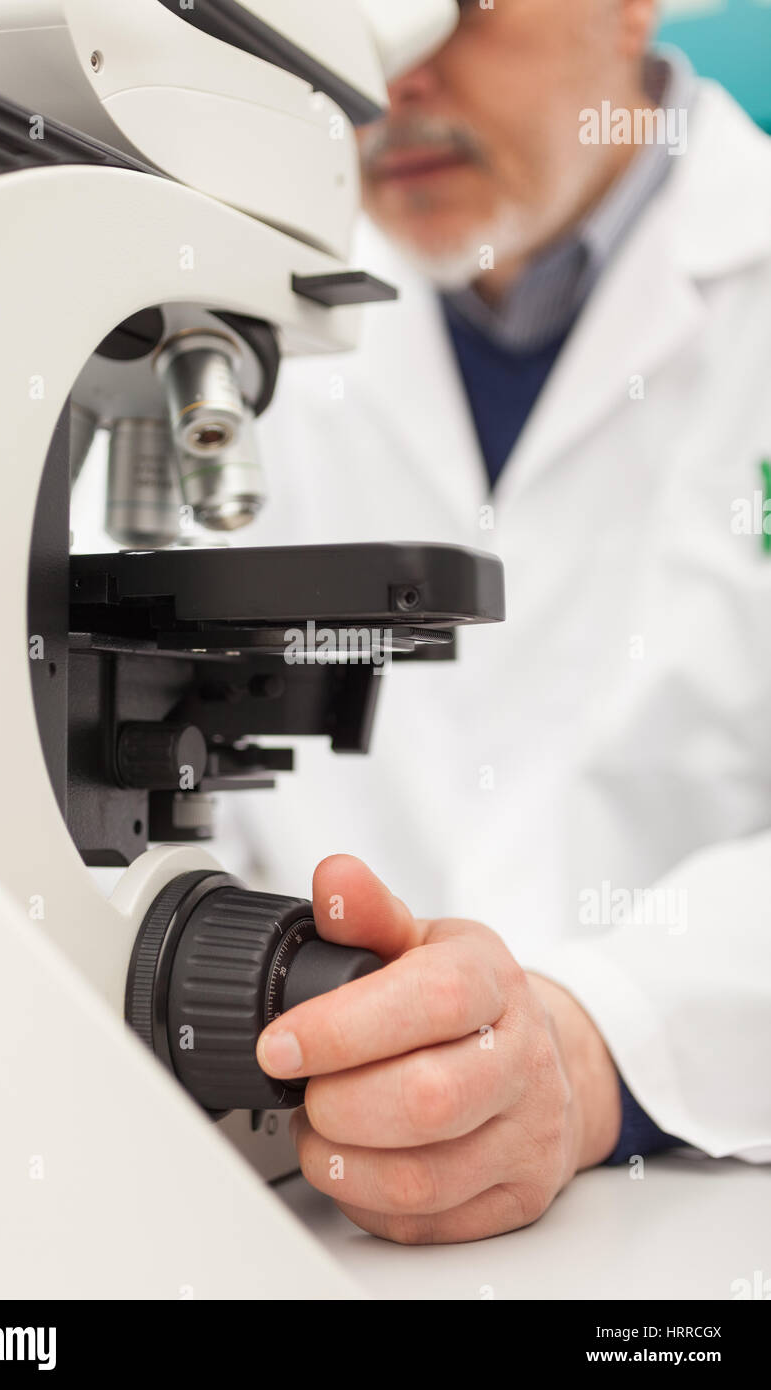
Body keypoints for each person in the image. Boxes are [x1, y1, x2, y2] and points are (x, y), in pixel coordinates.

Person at [219, 0, 771, 1243]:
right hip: (310, 1204)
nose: (389, 76)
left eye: (451, 4)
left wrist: (599, 1042)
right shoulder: (239, 315)